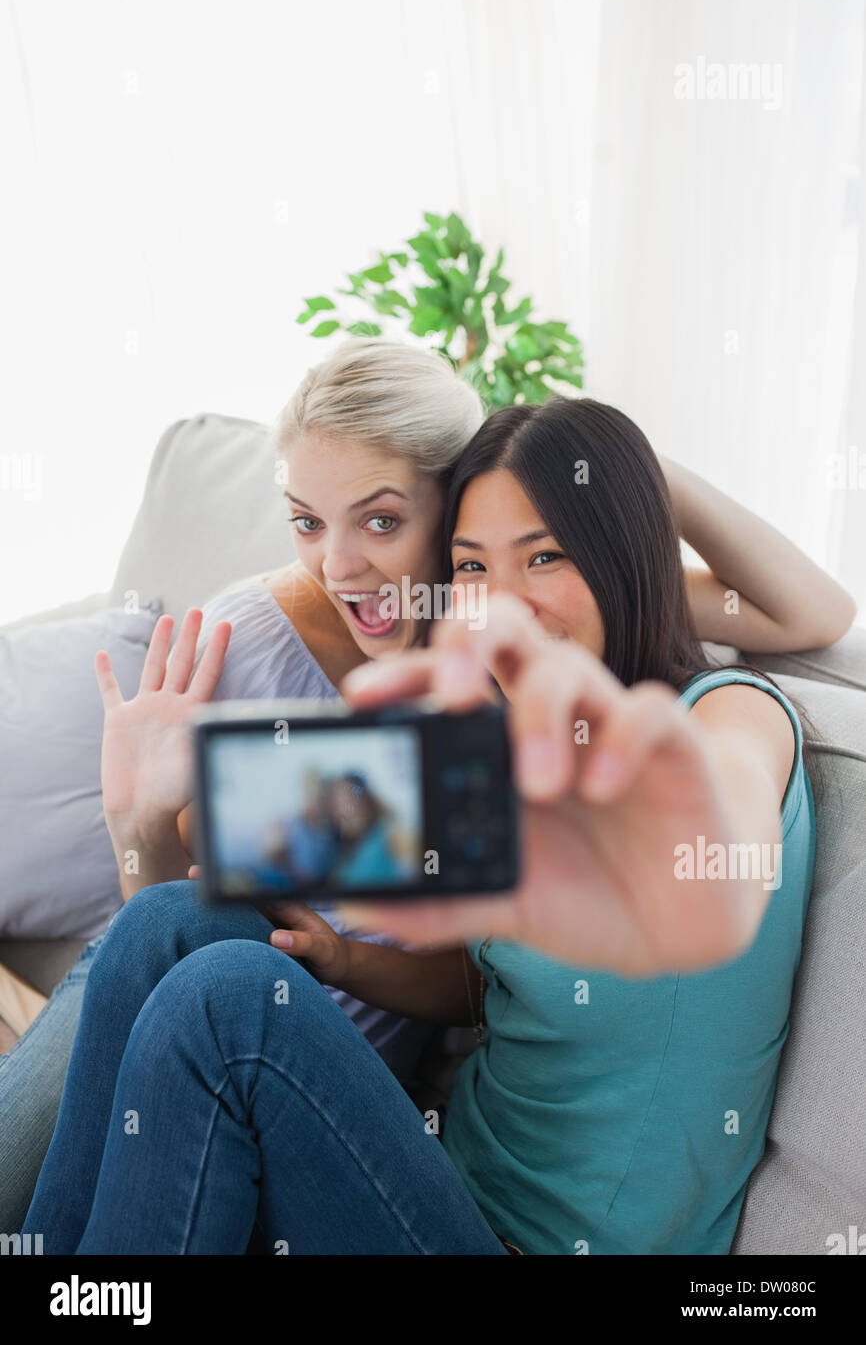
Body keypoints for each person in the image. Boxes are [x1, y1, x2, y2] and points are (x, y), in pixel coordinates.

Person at [22, 397, 853, 1254]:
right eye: (472, 568)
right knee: (175, 922)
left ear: (619, 556)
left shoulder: (730, 715)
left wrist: (634, 469)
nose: (502, 606)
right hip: (426, 1195)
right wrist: (345, 959)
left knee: (229, 1002)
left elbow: (733, 786)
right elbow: (496, 982)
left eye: (546, 556)